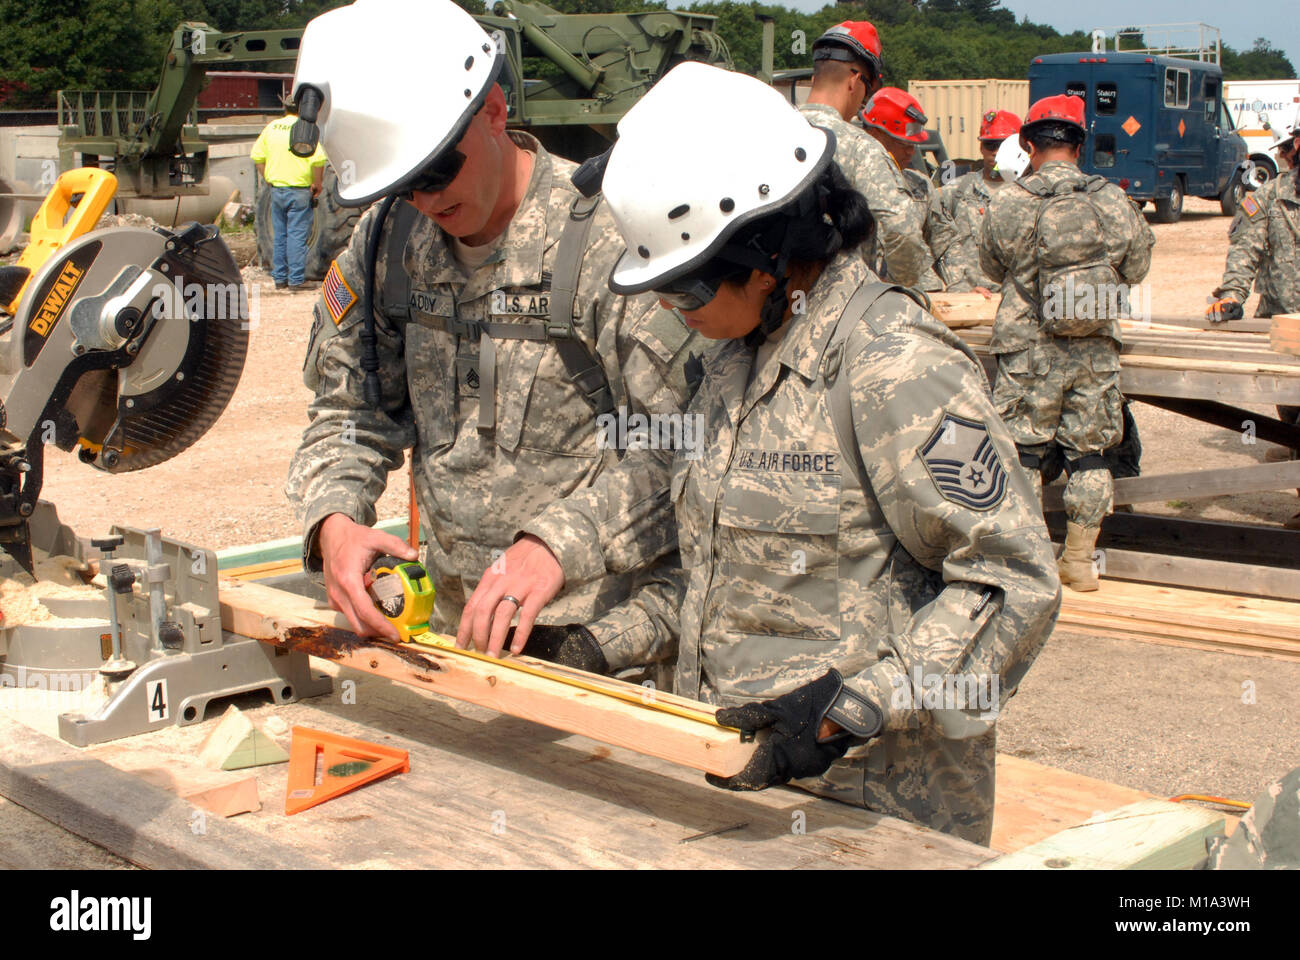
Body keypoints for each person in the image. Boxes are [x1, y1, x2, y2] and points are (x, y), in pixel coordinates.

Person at [510, 62, 1061, 845]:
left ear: (769, 255)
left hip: (873, 812)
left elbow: (1014, 584)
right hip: (740, 791)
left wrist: (854, 705)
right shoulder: (732, 359)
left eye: (690, 291)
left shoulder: (895, 368)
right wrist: (601, 643)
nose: (673, 313)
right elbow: (727, 580)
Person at [284, 0, 697, 675]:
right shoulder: (389, 240)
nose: (424, 199)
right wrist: (332, 520)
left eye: (438, 170)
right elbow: (349, 413)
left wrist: (558, 544)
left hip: (600, 650)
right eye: (402, 182)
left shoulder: (609, 241)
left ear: (496, 112)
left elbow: (686, 445)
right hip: (456, 642)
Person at [979, 94, 1155, 591]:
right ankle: (1079, 562)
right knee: (1092, 454)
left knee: (1024, 454)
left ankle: (1028, 560)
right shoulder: (1113, 199)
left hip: (1028, 347)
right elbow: (1138, 268)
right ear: (1080, 145)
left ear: (1028, 144)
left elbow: (992, 269)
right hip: (1095, 347)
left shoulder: (1010, 200)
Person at [1207, 125, 1300, 529]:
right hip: (1286, 332)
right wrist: (1231, 295)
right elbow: (1246, 250)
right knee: (1295, 421)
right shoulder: (1270, 197)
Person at [796, 21, 928, 288]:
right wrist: (902, 285)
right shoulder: (860, 148)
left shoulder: (767, 133)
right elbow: (903, 232)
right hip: (836, 314)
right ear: (856, 81)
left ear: (814, 78)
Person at [860, 87, 959, 292]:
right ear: (875, 135)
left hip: (917, 296)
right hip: (862, 298)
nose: (910, 151)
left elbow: (945, 243)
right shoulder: (849, 184)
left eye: (913, 144)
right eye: (902, 142)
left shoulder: (920, 186)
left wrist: (961, 286)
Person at [940, 109, 1022, 293]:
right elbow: (937, 245)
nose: (994, 152)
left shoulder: (1028, 196)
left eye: (1001, 145)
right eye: (989, 145)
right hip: (967, 299)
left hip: (1015, 302)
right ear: (981, 147)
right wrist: (959, 288)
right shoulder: (956, 192)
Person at [251, 98, 328, 290]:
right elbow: (318, 160)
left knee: (280, 235)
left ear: (285, 107)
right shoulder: (305, 129)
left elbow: (257, 157)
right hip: (300, 190)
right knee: (296, 236)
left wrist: (268, 178)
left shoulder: (272, 128)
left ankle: (279, 279)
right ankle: (295, 281)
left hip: (277, 190)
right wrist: (317, 184)